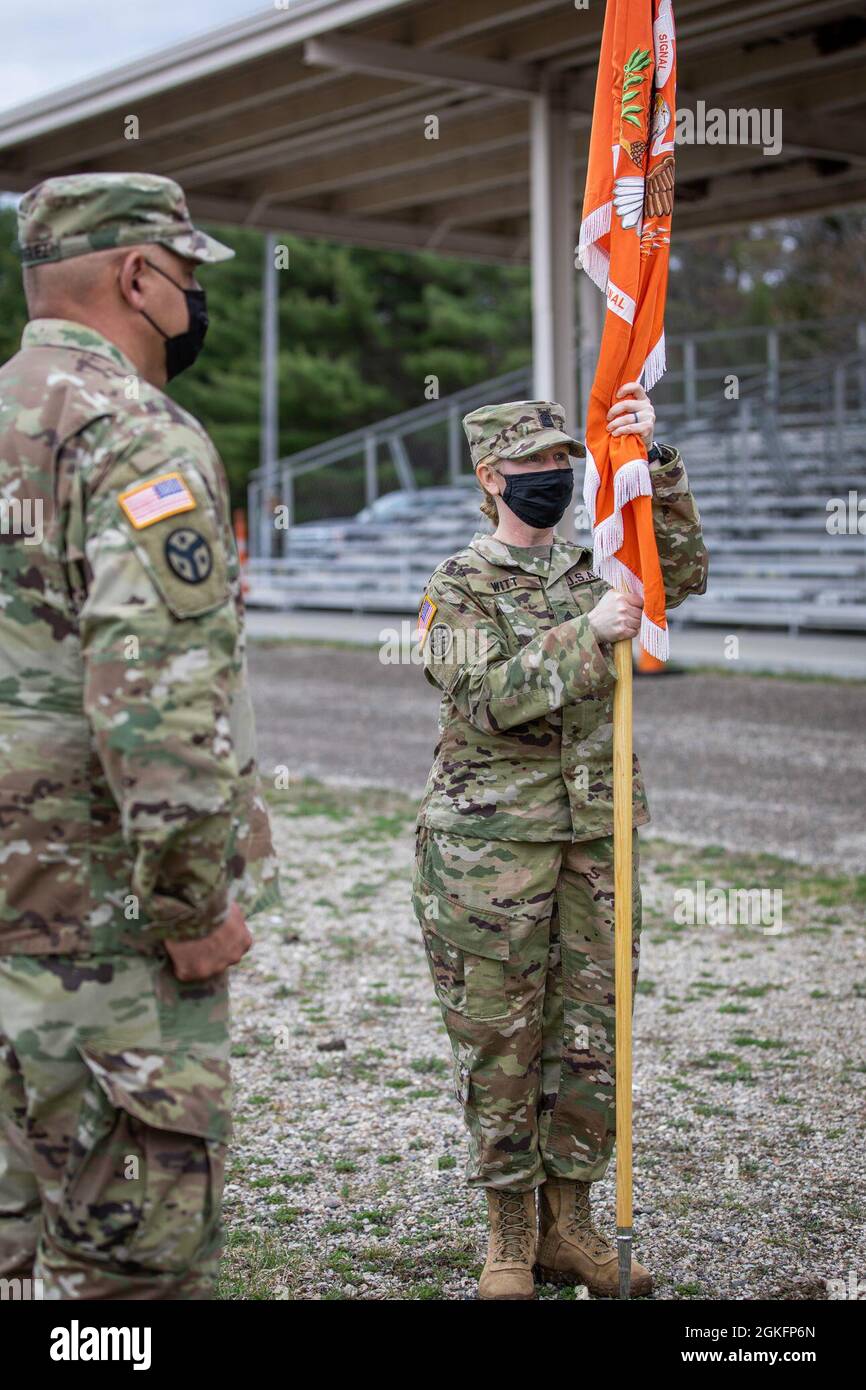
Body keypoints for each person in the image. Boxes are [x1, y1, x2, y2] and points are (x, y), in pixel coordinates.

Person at [0, 172, 280, 1300]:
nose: (189, 302)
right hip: (100, 935)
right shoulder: (133, 436)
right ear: (137, 276)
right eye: (186, 277)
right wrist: (192, 908)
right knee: (126, 1278)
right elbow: (156, 706)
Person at [412, 393, 708, 1300]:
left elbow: (684, 573)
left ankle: (569, 1229)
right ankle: (508, 1236)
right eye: (532, 467)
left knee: (589, 1035)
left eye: (562, 463)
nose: (552, 479)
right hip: (488, 849)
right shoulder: (455, 584)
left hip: (596, 833)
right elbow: (488, 694)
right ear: (490, 477)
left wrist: (651, 461)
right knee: (501, 1037)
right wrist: (590, 635)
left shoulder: (600, 565)